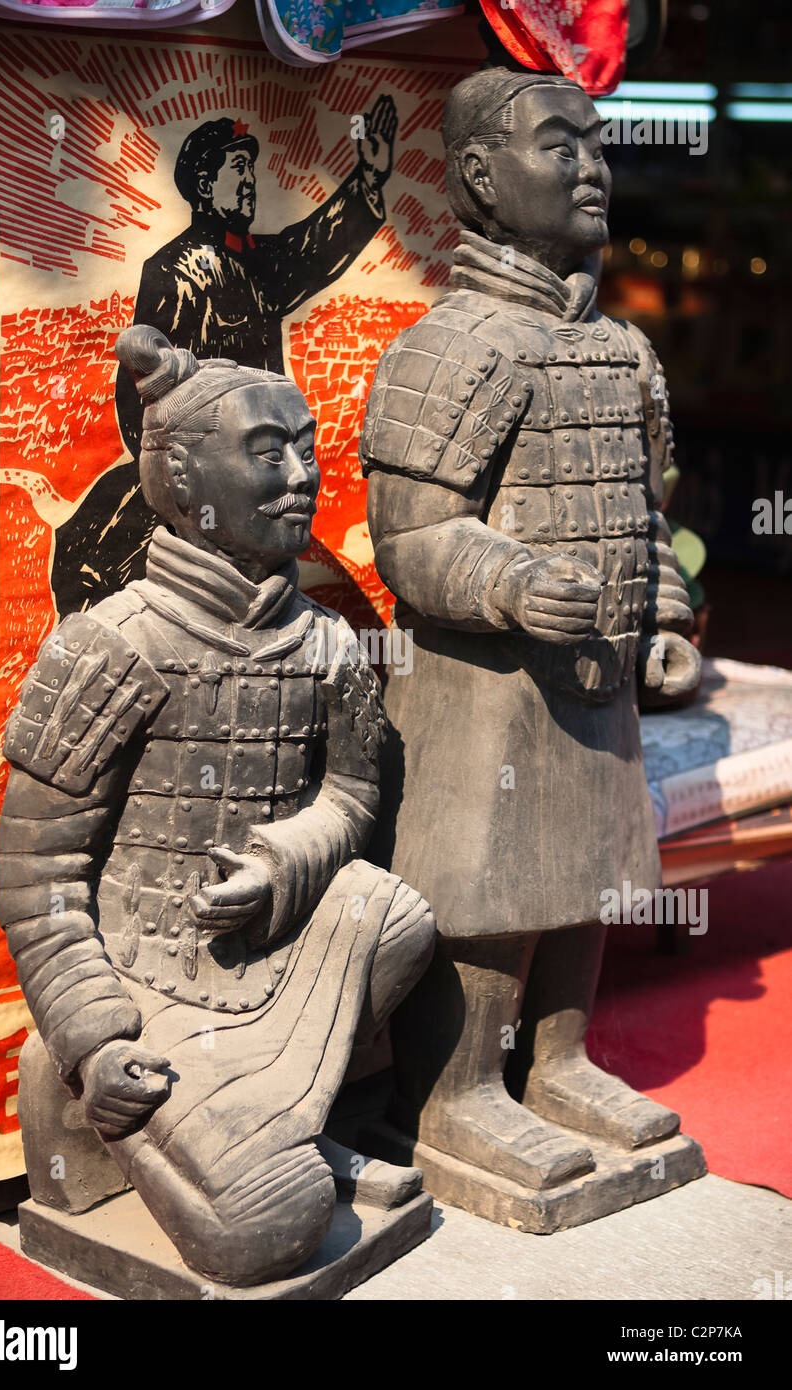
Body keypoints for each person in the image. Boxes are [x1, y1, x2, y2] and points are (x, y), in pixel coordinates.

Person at [0, 326, 434, 1286]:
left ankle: (278, 1126)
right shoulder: (110, 646)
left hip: (273, 970)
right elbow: (35, 874)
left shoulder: (322, 641)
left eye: (307, 447)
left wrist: (293, 857)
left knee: (391, 912)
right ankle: (120, 1109)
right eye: (264, 453)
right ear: (185, 486)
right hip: (145, 996)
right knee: (271, 1229)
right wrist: (96, 1038)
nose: (301, 475)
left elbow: (356, 794)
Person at [359, 70, 702, 1198]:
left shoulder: (622, 350)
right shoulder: (448, 345)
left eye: (597, 145)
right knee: (491, 886)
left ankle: (558, 1062)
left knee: (590, 872)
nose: (592, 166)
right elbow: (406, 538)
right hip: (480, 694)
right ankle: (454, 1092)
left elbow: (642, 511)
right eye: (560, 147)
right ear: (475, 177)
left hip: (595, 684)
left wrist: (659, 618)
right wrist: (506, 580)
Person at [51, 98, 398, 617]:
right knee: (101, 562)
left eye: (251, 168)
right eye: (238, 170)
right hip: (192, 465)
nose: (251, 181)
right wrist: (174, 466)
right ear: (206, 185)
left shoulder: (258, 262)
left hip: (262, 461)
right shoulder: (172, 270)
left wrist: (367, 178)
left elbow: (315, 247)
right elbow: (137, 393)